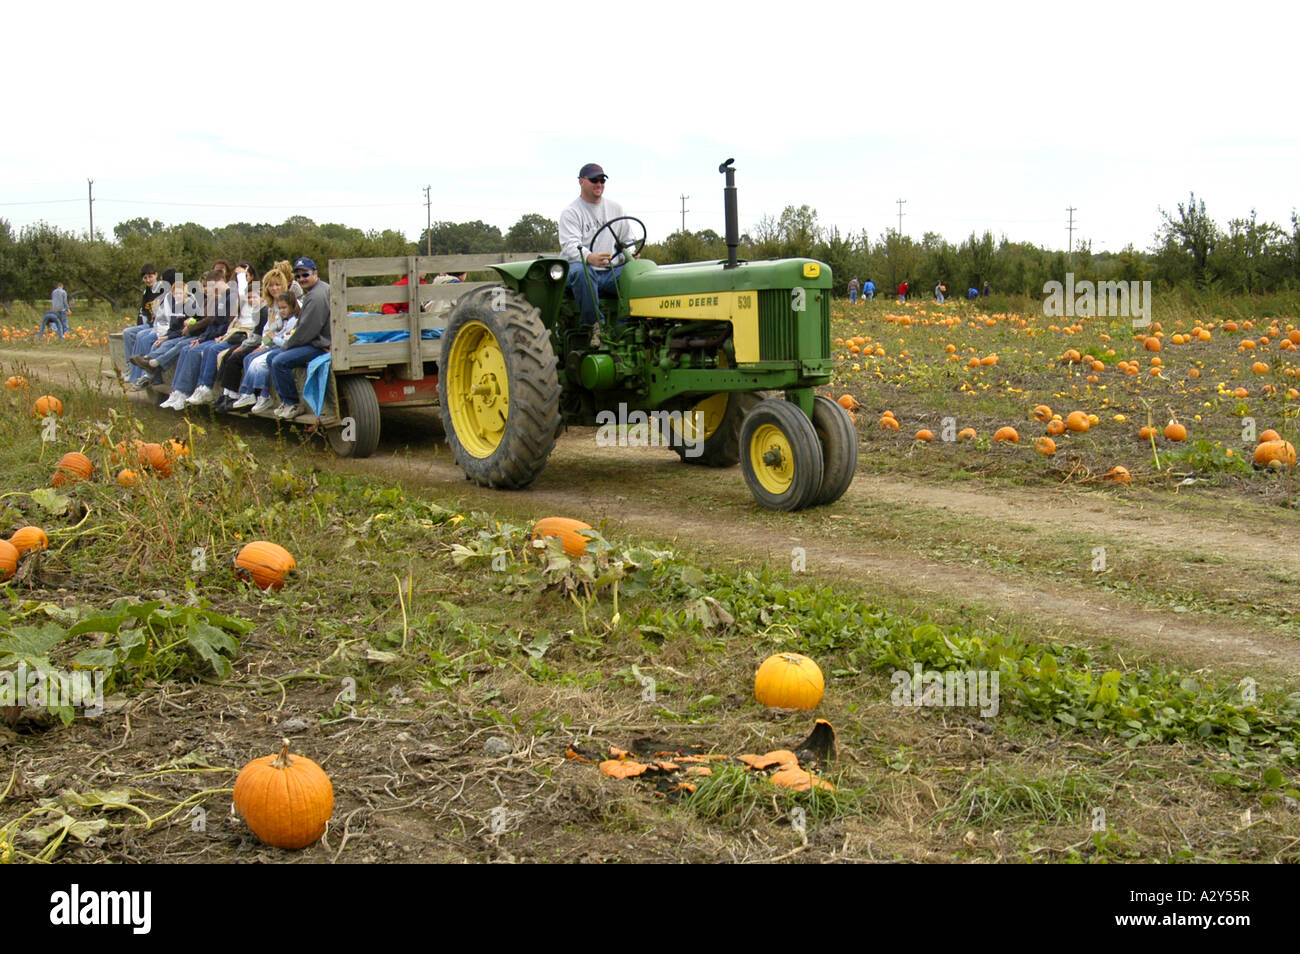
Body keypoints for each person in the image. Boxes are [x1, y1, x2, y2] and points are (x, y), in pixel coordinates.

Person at [559, 163, 636, 326]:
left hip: (610, 272)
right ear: (581, 182)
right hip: (582, 269)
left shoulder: (616, 209)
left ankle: (625, 327)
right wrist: (590, 257)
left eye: (602, 180)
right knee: (582, 273)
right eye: (594, 180)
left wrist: (631, 253)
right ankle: (594, 327)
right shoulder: (571, 212)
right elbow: (570, 245)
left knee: (637, 272)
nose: (599, 184)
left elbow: (628, 240)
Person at [270, 257, 331, 419]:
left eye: (305, 275)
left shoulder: (316, 296)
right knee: (272, 357)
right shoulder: (319, 289)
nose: (301, 279)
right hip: (318, 340)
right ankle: (284, 400)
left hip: (319, 345)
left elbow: (306, 331)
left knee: (279, 361)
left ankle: (293, 403)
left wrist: (287, 345)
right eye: (298, 276)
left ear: (315, 273)